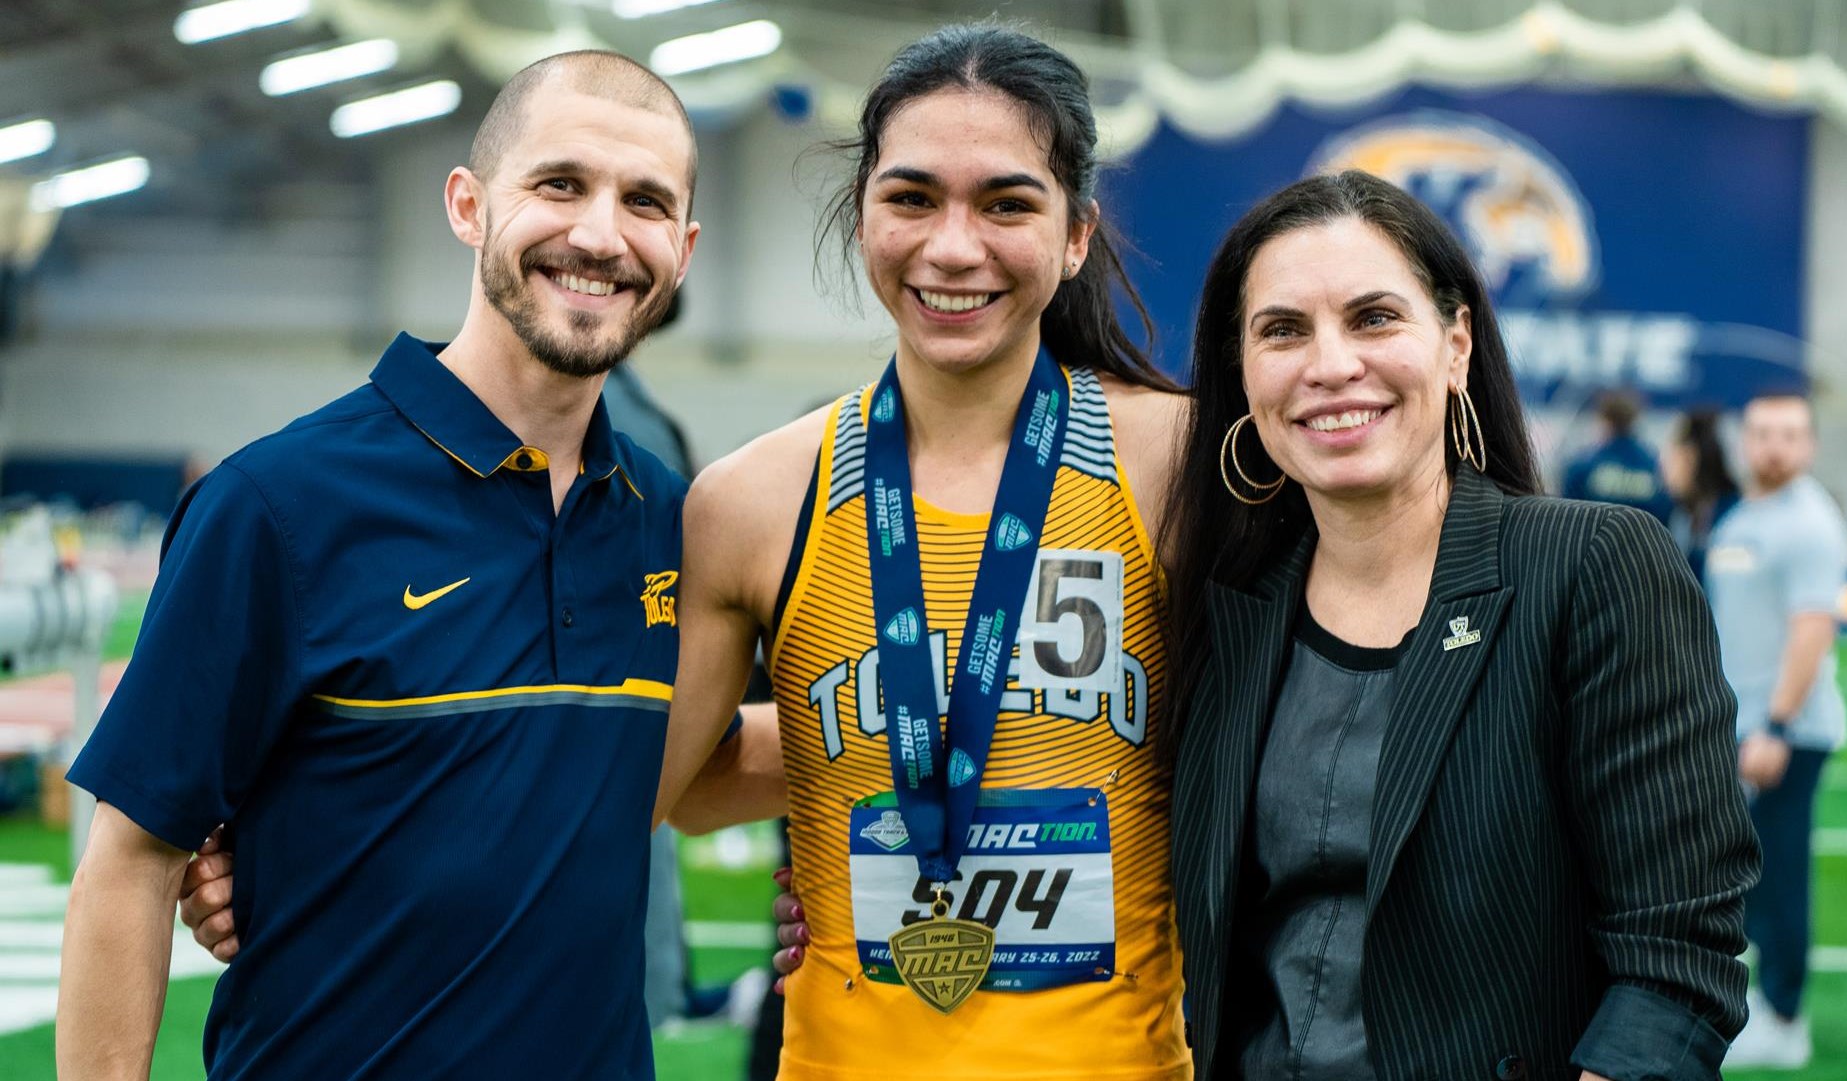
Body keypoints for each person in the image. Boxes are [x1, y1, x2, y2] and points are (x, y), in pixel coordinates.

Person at [58, 51, 699, 1080]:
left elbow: (709, 751)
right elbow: (131, 863)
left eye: (645, 202)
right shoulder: (276, 506)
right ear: (467, 204)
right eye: (560, 184)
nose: (598, 233)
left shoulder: (671, 517)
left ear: (684, 248)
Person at [655, 24, 1194, 1079]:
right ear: (862, 217)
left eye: (1006, 203)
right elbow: (681, 783)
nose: (954, 247)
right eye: (911, 198)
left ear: (1076, 232)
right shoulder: (752, 501)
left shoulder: (1181, 464)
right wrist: (841, 772)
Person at [1160, 172, 1760, 1081]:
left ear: (1456, 343)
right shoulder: (1228, 609)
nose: (1329, 365)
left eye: (1373, 318)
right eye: (1282, 330)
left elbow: (1674, 967)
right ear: (1243, 374)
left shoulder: (1591, 566)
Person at [1708, 391, 1847, 1070]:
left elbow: (1813, 628)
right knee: (1751, 879)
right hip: (1747, 726)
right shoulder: (1748, 512)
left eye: (1789, 435)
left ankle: (1786, 1018)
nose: (1774, 446)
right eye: (1763, 432)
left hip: (1784, 733)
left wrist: (1777, 724)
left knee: (1780, 874)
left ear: (1810, 444)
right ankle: (1763, 1004)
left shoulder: (1808, 523)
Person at [1561, 389, 1673, 522]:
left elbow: (1568, 515)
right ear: (1634, 420)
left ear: (1604, 421)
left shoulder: (1582, 466)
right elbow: (1666, 512)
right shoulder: (1655, 466)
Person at [1661, 408, 1739, 583]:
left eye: (1671, 460)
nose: (1664, 471)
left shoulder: (1732, 515)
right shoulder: (1677, 511)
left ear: (1691, 459)